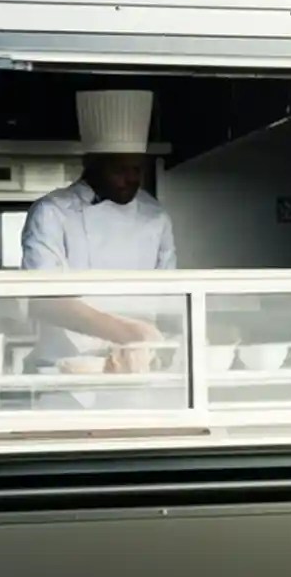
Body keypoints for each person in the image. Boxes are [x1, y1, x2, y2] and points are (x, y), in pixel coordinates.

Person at [20, 89, 178, 373]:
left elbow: (170, 298)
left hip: (137, 366)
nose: (130, 179)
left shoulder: (156, 217)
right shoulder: (52, 212)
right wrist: (124, 331)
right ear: (90, 163)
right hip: (65, 372)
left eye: (136, 169)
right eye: (119, 169)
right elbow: (43, 302)